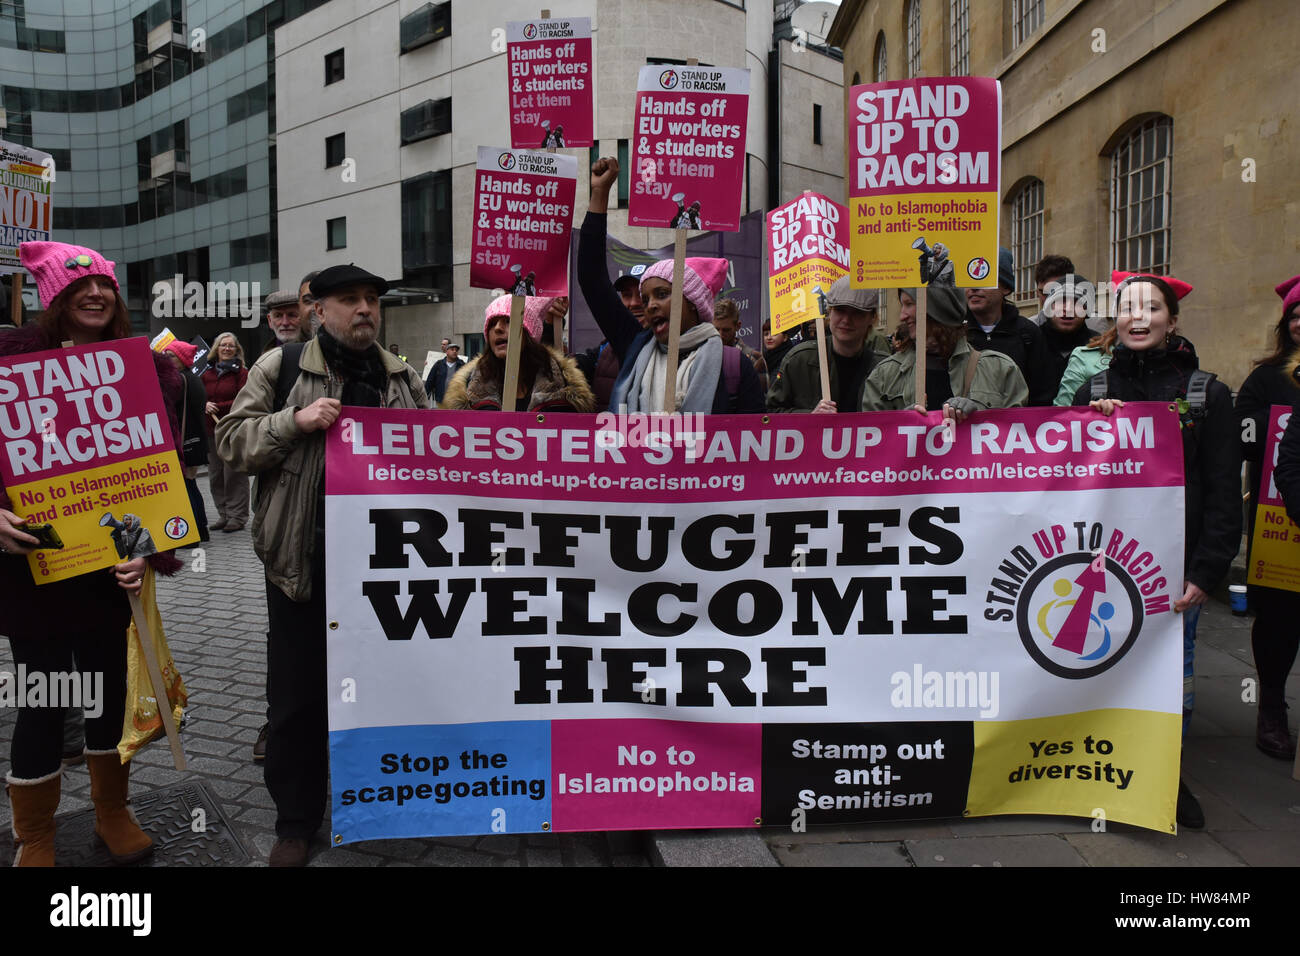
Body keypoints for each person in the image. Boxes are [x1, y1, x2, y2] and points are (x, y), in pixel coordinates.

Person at [216, 263, 430, 866]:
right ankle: (296, 820)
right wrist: (294, 422)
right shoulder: (281, 367)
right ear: (319, 311)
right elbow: (232, 442)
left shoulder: (403, 378)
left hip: (382, 574)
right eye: (350, 300)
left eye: (371, 300)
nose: (365, 309)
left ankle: (383, 801)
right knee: (297, 702)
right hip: (302, 571)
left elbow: (439, 456)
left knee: (382, 694)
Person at [1, 241, 184, 867]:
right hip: (35, 568)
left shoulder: (141, 371)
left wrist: (148, 549)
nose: (95, 295)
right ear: (53, 299)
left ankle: (112, 813)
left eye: (103, 286)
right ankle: (37, 836)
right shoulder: (8, 369)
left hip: (110, 569)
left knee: (106, 695)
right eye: (79, 288)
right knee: (44, 701)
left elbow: (158, 477)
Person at [1073, 273, 1240, 829]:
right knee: (1097, 668)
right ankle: (1098, 773)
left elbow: (1222, 494)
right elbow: (1055, 480)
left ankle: (1166, 777)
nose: (1138, 317)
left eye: (1151, 307)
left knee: (1174, 678)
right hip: (1104, 567)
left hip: (1173, 573)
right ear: (1115, 320)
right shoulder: (1091, 392)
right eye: (1127, 307)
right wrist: (1086, 432)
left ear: (1172, 319)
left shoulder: (1208, 394)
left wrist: (1205, 572)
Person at [581, 156, 763, 414]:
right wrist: (599, 193)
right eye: (646, 300)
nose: (650, 305)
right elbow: (592, 280)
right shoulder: (635, 345)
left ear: (692, 302)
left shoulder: (733, 367)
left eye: (662, 294)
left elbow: (753, 442)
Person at [1234, 273, 1300, 760]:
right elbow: (1247, 439)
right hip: (1277, 515)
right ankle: (1271, 704)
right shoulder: (1265, 378)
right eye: (1296, 316)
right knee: (1280, 616)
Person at [862, 280, 1027, 416]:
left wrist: (979, 420)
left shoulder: (1001, 370)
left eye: (909, 304)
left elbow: (1017, 441)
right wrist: (901, 425)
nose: (902, 316)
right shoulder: (885, 375)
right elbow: (872, 445)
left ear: (938, 311)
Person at [442, 295, 594, 412]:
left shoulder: (563, 386)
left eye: (507, 321)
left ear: (530, 333)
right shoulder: (469, 389)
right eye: (492, 324)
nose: (498, 329)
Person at [767, 277, 893, 413]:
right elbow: (771, 413)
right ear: (830, 312)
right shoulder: (799, 361)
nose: (846, 320)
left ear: (872, 318)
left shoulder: (885, 368)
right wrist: (810, 417)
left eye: (857, 313)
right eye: (840, 310)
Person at [965, 248, 1056, 406]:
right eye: (969, 279)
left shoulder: (1028, 334)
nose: (973, 288)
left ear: (1006, 288)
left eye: (984, 279)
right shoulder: (953, 333)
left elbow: (1042, 397)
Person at [160, 339, 211, 542]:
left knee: (185, 487)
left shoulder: (178, 379)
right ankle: (201, 529)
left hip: (185, 443)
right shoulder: (192, 377)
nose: (166, 358)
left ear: (181, 359)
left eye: (171, 355)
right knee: (190, 484)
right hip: (195, 441)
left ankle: (190, 536)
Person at [202, 332, 251, 533]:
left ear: (236, 350)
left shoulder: (242, 373)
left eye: (231, 346)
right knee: (215, 475)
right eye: (223, 345)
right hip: (211, 429)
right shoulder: (207, 374)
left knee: (234, 474)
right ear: (217, 349)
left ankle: (237, 517)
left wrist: (218, 406)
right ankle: (223, 514)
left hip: (232, 429)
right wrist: (204, 404)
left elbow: (244, 399)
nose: (227, 348)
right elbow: (200, 397)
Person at [1039, 274, 1097, 402]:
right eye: (1061, 301)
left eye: (1078, 302)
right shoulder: (1030, 340)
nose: (1068, 309)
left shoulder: (1099, 346)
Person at [261, 288, 307, 356]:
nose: (285, 323)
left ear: (304, 318)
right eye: (278, 316)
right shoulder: (263, 360)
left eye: (292, 315)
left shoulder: (319, 354)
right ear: (270, 321)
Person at [425, 339, 466, 404]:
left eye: (456, 350)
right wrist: (425, 397)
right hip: (441, 400)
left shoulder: (462, 365)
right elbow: (430, 381)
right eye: (452, 350)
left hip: (457, 401)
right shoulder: (438, 364)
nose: (455, 351)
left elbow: (468, 381)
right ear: (447, 352)